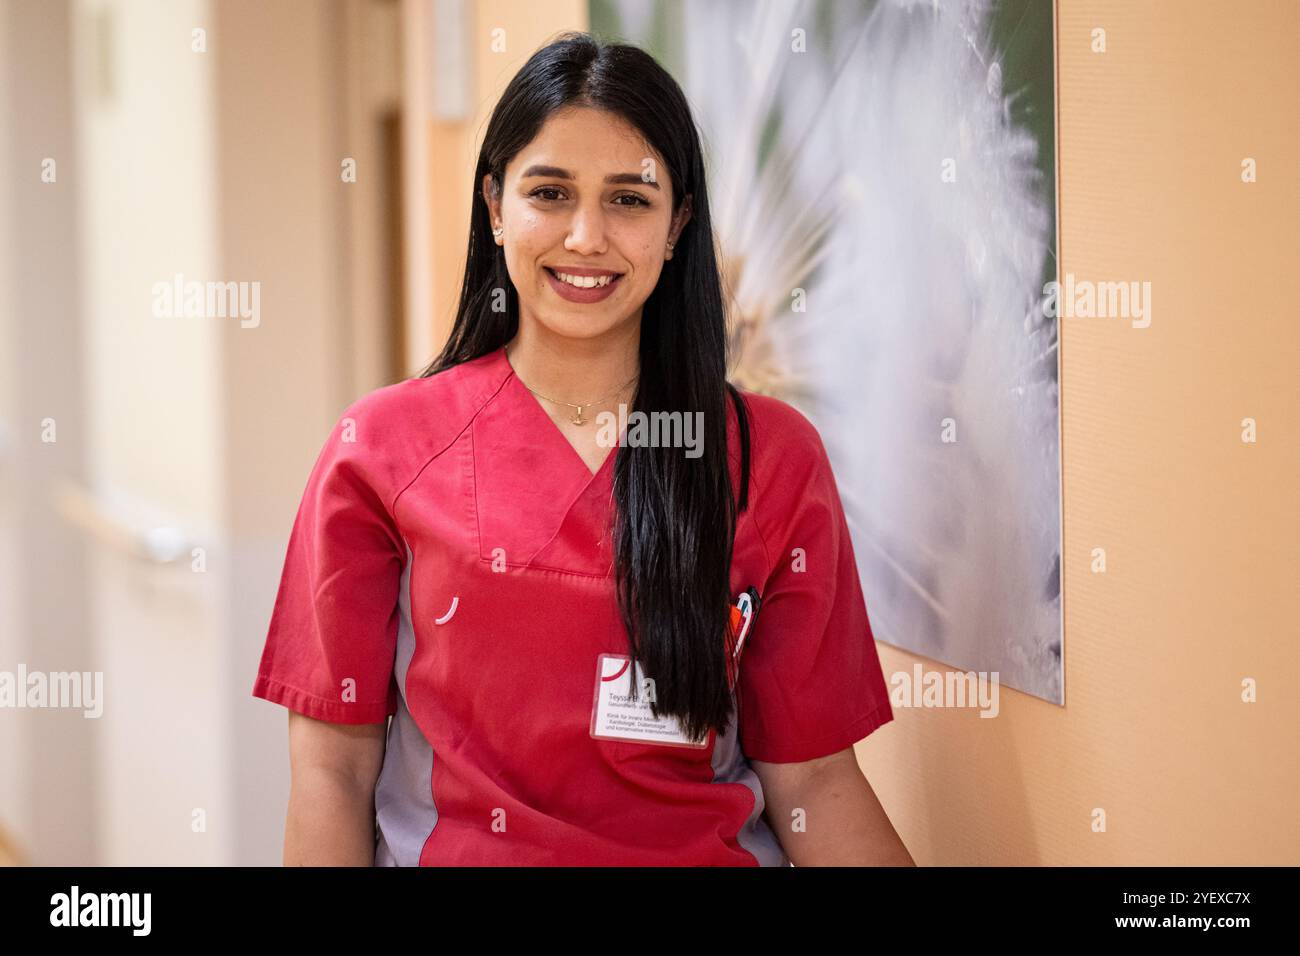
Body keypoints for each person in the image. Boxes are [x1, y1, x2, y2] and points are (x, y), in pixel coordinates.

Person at [252, 31, 911, 867]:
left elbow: (816, 780)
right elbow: (332, 772)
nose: (587, 237)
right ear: (496, 207)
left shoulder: (771, 460)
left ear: (678, 224)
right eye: (551, 193)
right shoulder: (379, 451)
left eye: (630, 200)